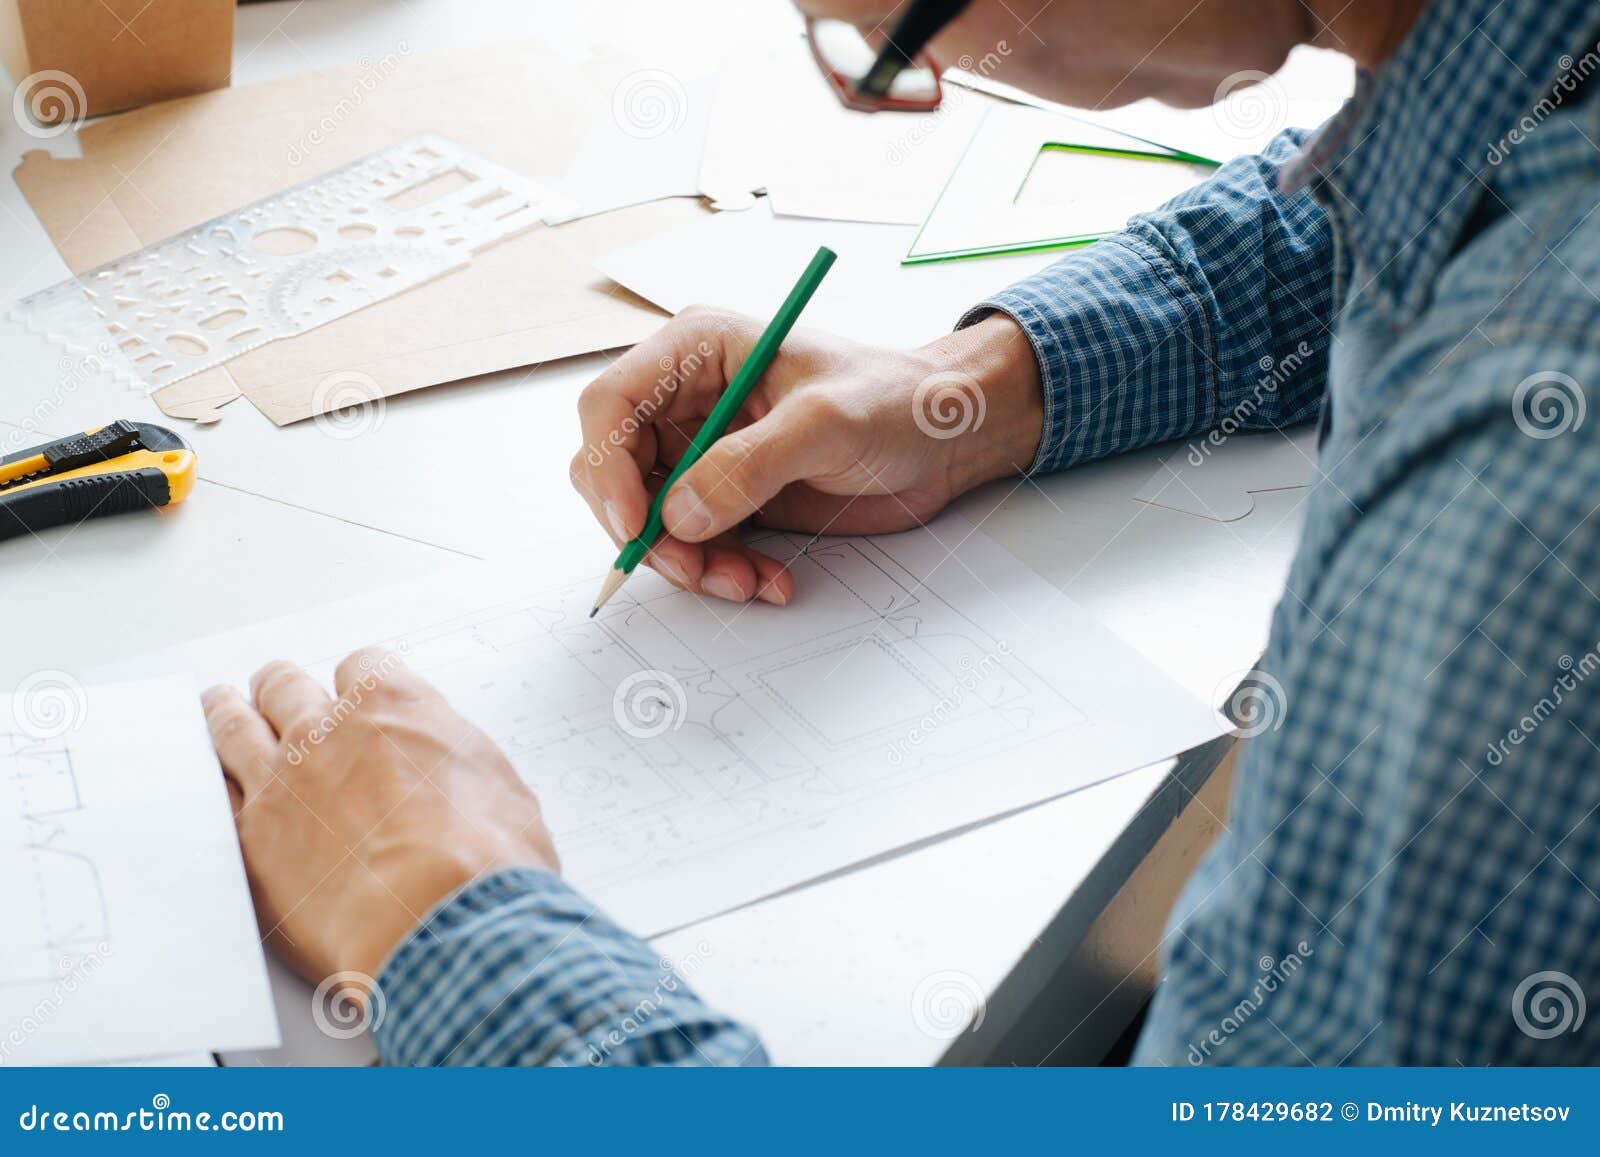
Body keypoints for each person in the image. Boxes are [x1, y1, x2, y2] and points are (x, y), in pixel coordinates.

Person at [203, 0, 1600, 1065]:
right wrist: (978, 390)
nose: (905, 84)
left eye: (883, 29)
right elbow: (1399, 179)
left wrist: (446, 929)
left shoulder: (1520, 477)